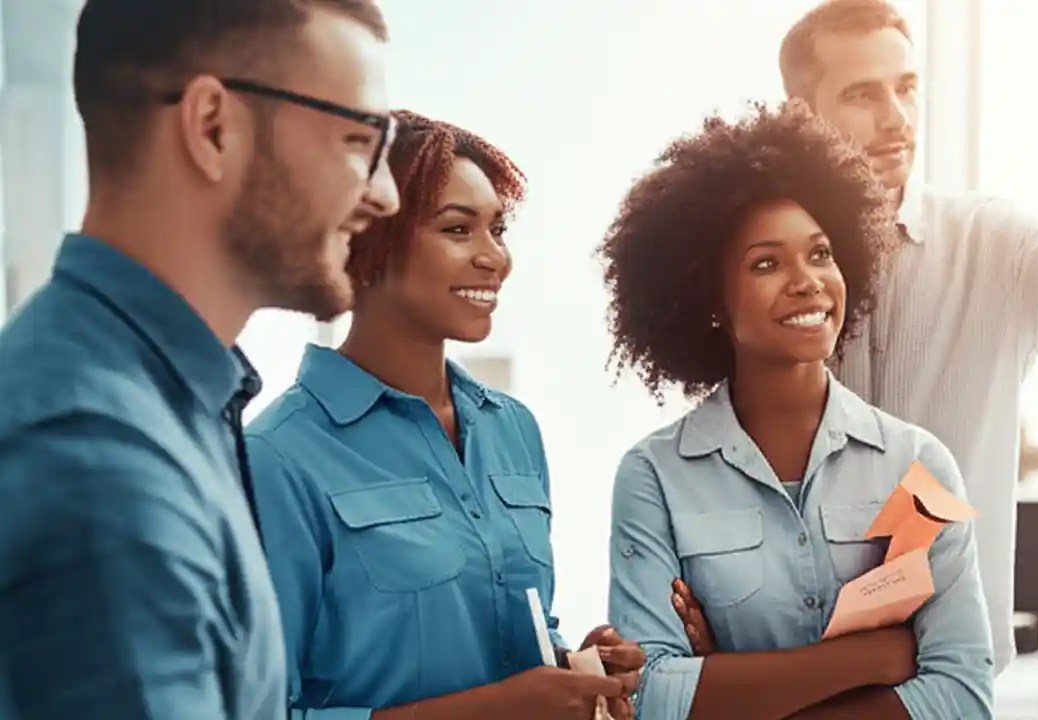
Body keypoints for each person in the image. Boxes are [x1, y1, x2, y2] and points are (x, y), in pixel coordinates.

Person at [672, 0, 1038, 673]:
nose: (896, 118)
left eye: (907, 88)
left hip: (950, 675)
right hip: (791, 679)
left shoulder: (991, 244)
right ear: (799, 113)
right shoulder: (752, 269)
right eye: (862, 94)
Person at [0, 1, 399, 718]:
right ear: (214, 128)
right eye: (358, 140)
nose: (385, 194)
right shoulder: (100, 464)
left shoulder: (168, 400)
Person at [245, 110, 643, 720]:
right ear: (367, 238)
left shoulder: (512, 429)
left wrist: (573, 670)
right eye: (458, 229)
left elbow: (515, 637)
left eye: (498, 229)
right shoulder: (277, 458)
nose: (495, 257)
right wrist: (495, 711)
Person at [601, 101, 994, 719]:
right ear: (710, 301)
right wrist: (868, 659)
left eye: (820, 254)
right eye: (766, 263)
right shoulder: (654, 477)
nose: (807, 280)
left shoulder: (918, 465)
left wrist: (726, 686)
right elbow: (648, 695)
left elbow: (962, 699)